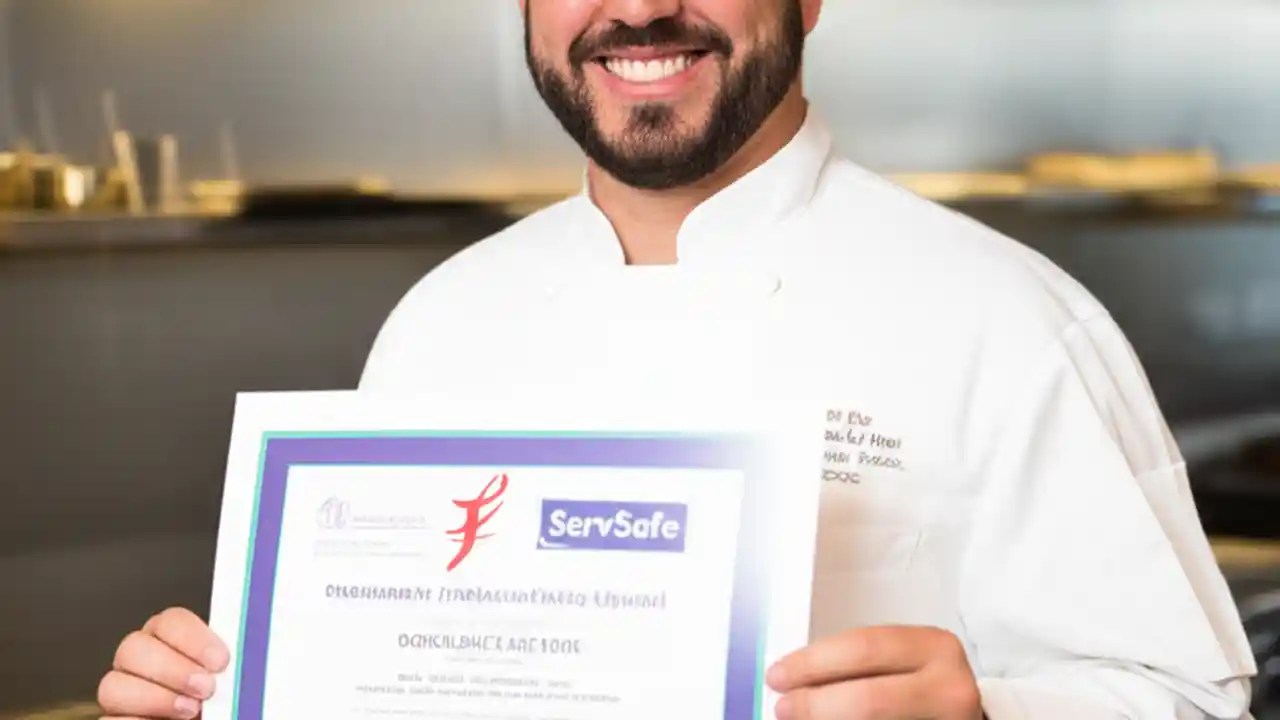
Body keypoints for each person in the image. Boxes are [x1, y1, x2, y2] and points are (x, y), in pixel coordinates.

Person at [97, 1, 1258, 718]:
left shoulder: (1007, 318)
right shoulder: (441, 319)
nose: (641, 7)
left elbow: (1188, 703)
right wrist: (212, 697)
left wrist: (990, 716)